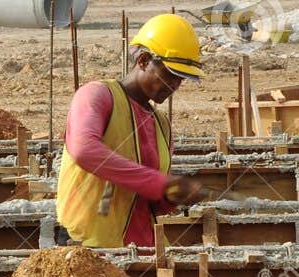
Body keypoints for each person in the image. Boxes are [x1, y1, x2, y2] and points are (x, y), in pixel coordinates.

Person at [57, 13, 207, 248]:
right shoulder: (97, 95)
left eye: (182, 79)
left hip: (142, 251)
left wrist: (173, 195)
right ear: (144, 60)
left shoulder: (161, 125)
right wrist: (159, 183)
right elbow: (84, 150)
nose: (175, 86)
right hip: (88, 248)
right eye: (170, 74)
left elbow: (147, 202)